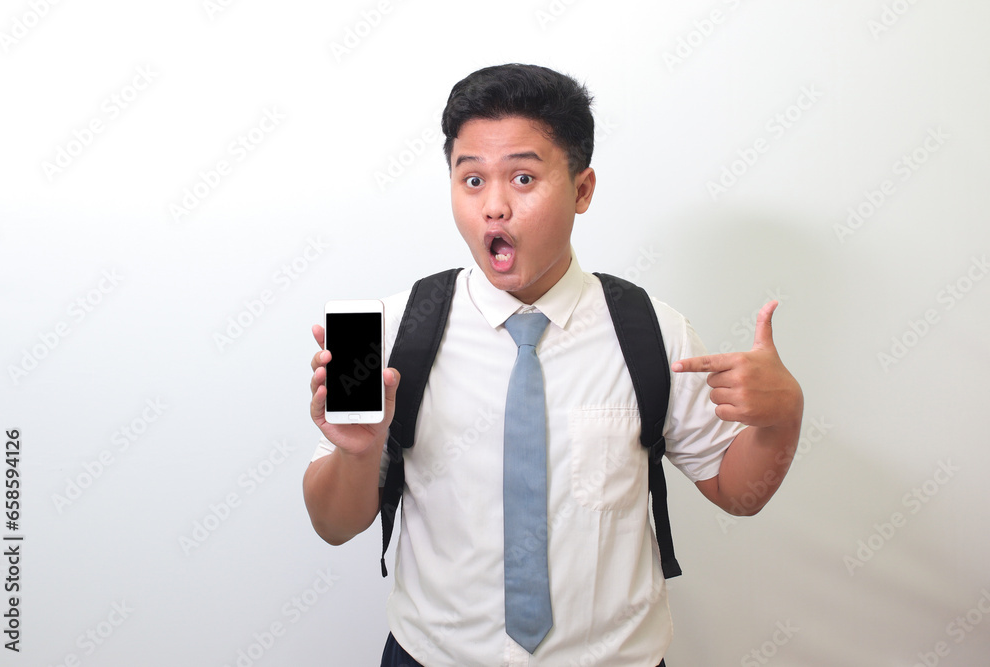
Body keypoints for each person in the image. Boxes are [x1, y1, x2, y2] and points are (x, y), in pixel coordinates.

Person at [303, 63, 804, 666]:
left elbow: (738, 494)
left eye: (522, 177)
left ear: (582, 190)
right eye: (471, 181)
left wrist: (783, 419)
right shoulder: (387, 334)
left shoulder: (651, 332)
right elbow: (333, 525)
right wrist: (358, 453)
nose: (494, 206)